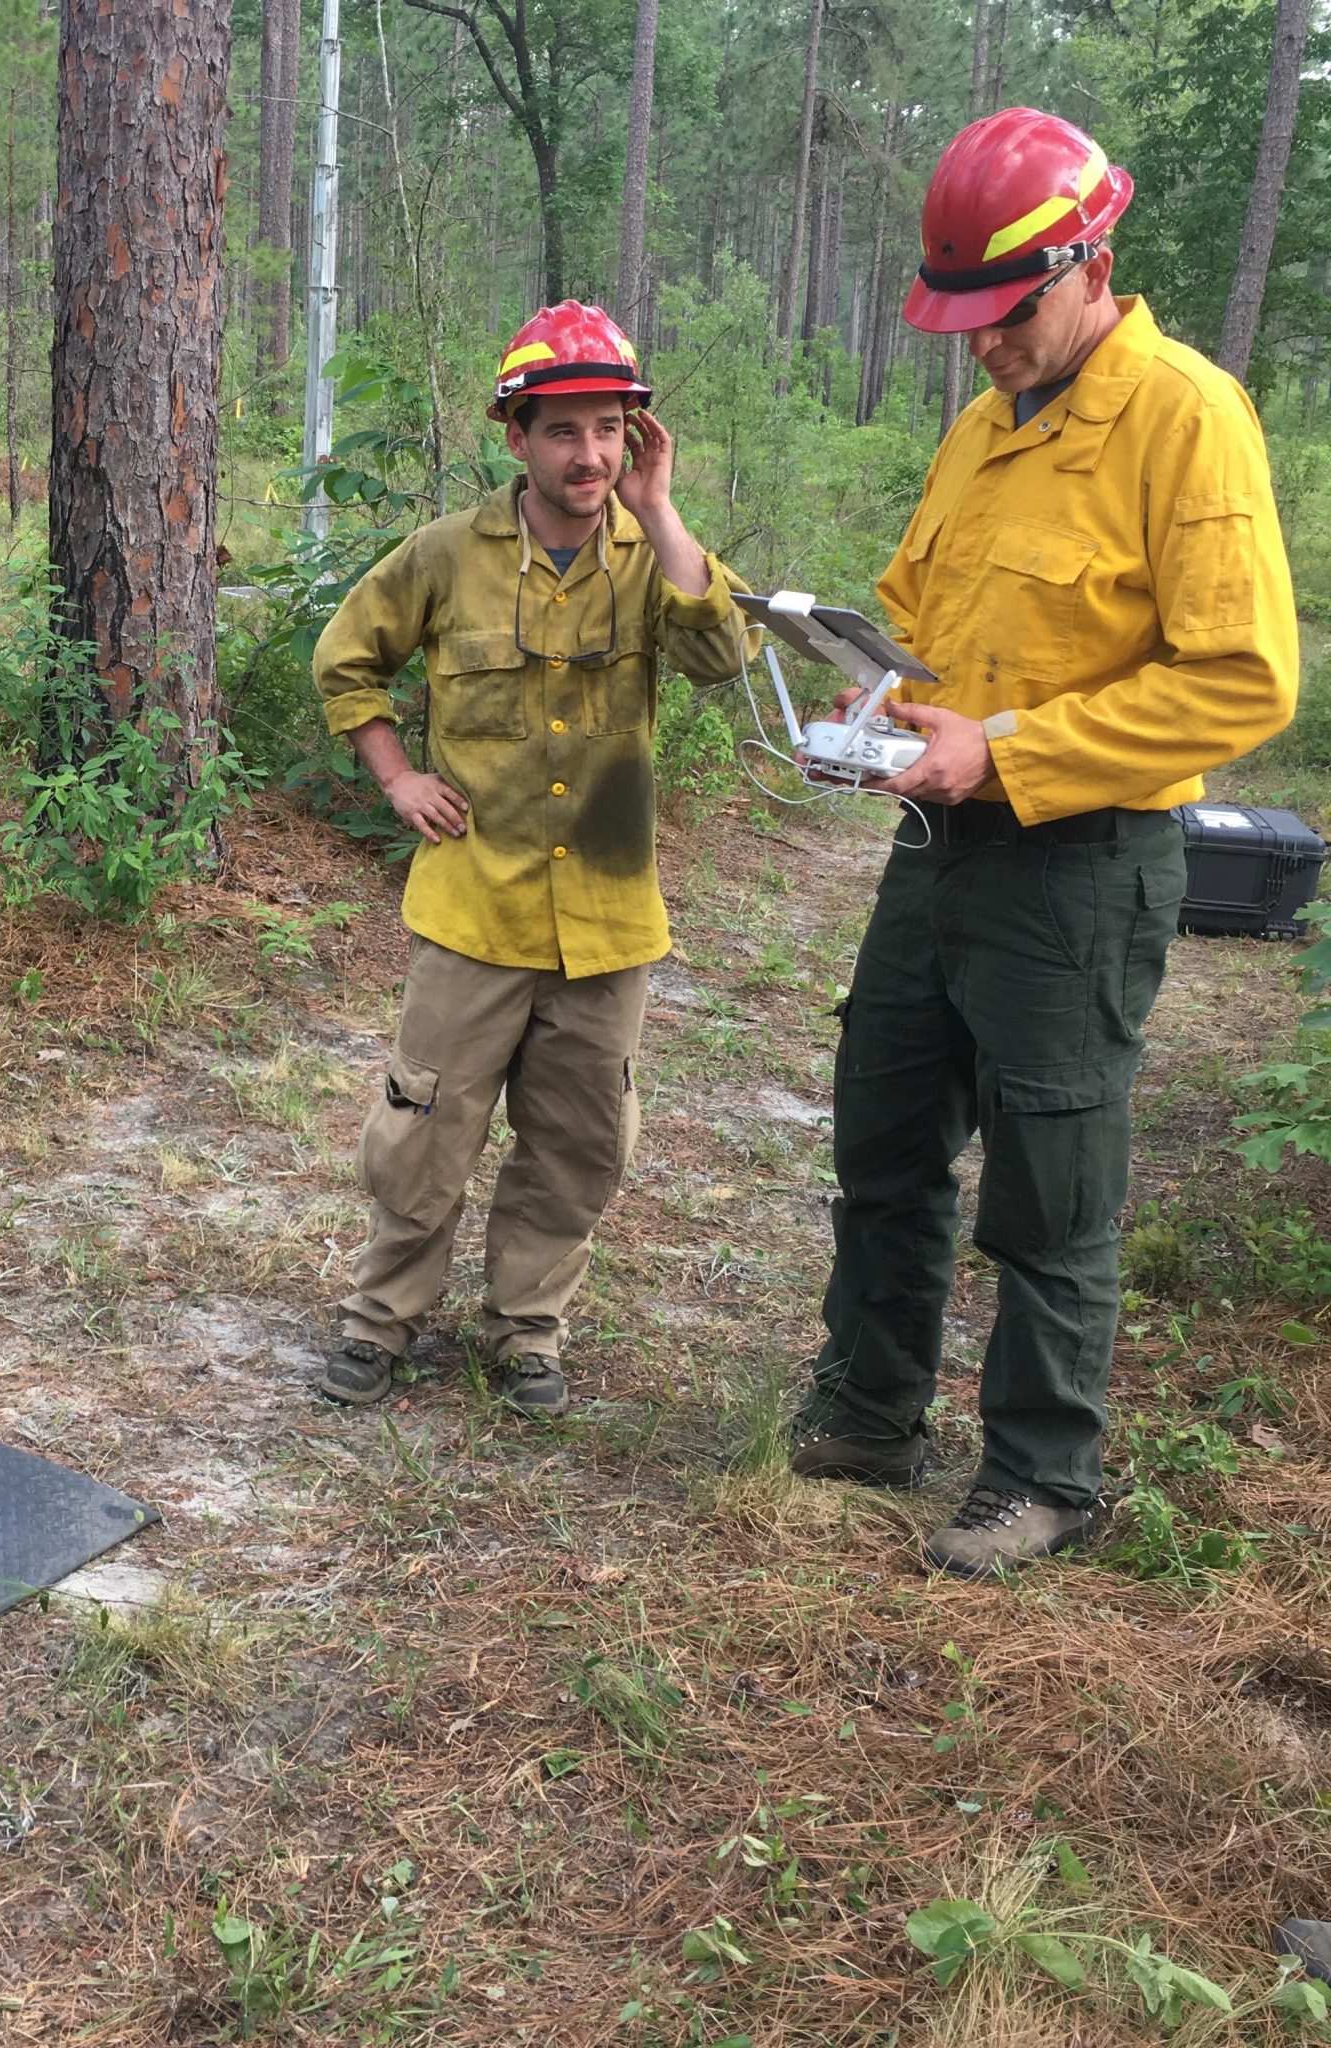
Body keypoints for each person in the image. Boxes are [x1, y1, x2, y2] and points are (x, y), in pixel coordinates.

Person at [790, 108, 1299, 1573]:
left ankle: (1042, 1476)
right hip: (931, 853)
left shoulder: (1185, 417)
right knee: (885, 1138)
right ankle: (871, 1410)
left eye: (1004, 315)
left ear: (1090, 261)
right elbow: (919, 606)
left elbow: (1242, 677)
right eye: (959, 320)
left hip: (1077, 869)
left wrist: (1006, 753)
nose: (982, 345)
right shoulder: (984, 421)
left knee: (1051, 1186)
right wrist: (872, 693)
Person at [313, 302, 753, 1419]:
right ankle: (380, 1322)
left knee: (577, 1141)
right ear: (515, 435)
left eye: (608, 430)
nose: (588, 454)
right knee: (422, 1134)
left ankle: (524, 1330)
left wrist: (660, 517)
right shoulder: (445, 557)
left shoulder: (655, 552)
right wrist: (395, 775)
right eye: (562, 430)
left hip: (605, 917)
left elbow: (719, 655)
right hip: (474, 901)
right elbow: (346, 660)